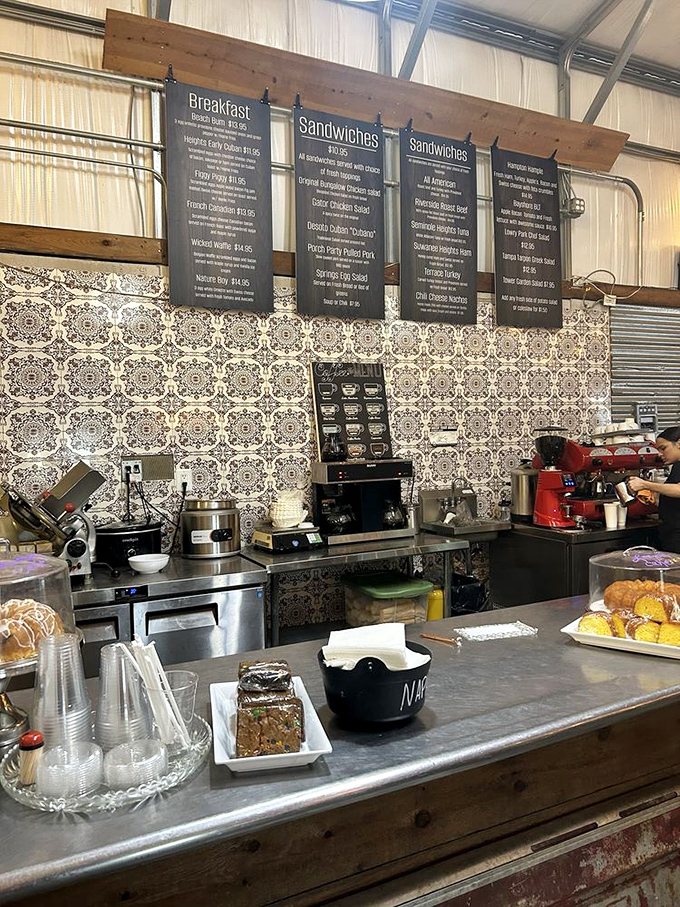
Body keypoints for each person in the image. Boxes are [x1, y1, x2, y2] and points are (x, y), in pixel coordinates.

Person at [628, 426, 680, 553]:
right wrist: (657, 500)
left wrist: (645, 484)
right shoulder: (677, 465)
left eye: (663, 448)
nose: (660, 454)